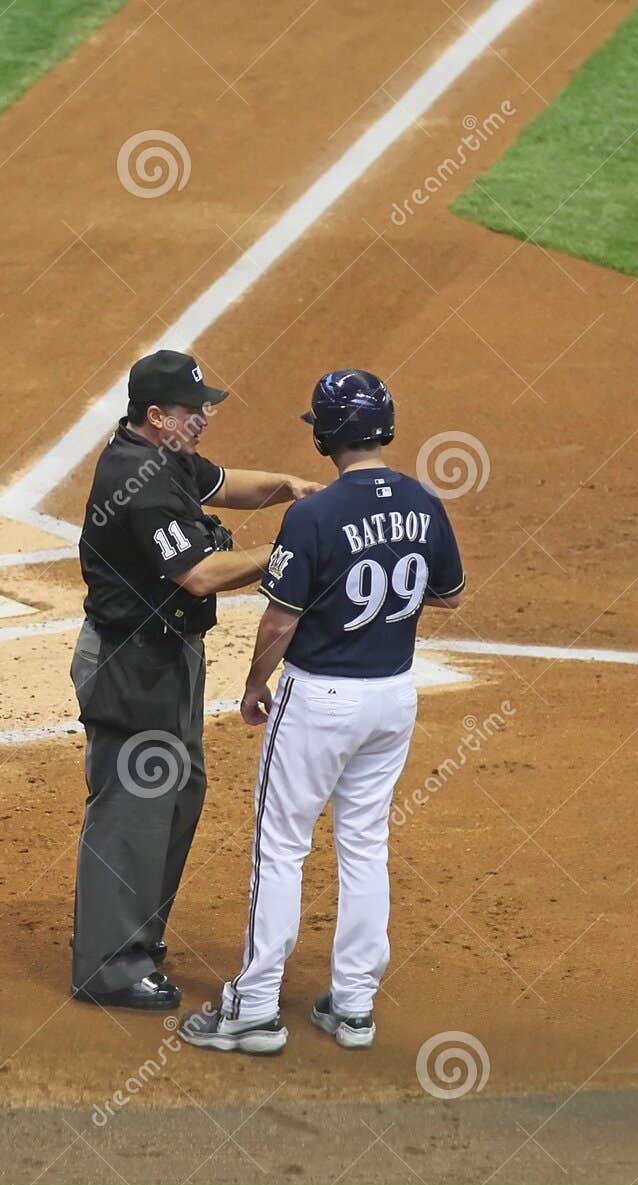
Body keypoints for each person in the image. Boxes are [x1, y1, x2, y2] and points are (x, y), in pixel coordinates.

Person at [179, 370, 464, 1054]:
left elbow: (279, 623)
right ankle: (355, 1005)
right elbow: (449, 594)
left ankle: (251, 1007)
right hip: (392, 697)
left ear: (329, 436)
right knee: (365, 842)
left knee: (280, 847)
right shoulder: (425, 501)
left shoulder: (313, 515)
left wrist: (253, 682)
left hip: (321, 701)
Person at [70, 349, 322, 1012]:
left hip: (168, 660)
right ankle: (109, 965)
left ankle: (137, 943)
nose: (205, 416)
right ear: (156, 416)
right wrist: (291, 551)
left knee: (175, 795)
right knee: (134, 804)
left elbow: (226, 483)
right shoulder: (139, 477)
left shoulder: (163, 454)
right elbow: (201, 575)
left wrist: (294, 488)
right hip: (131, 665)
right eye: (193, 408)